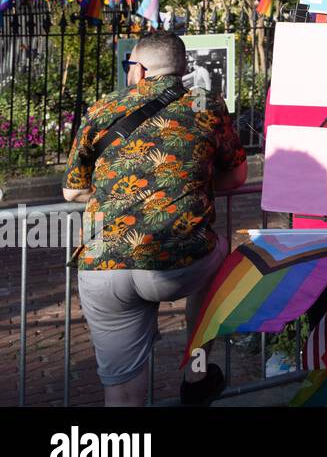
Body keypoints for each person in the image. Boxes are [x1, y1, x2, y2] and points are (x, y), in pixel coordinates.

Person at [63, 31, 247, 406]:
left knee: (122, 389)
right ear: (181, 70)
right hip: (181, 262)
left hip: (103, 262)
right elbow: (237, 177)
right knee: (222, 253)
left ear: (140, 69)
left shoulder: (102, 109)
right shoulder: (206, 104)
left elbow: (71, 190)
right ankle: (196, 371)